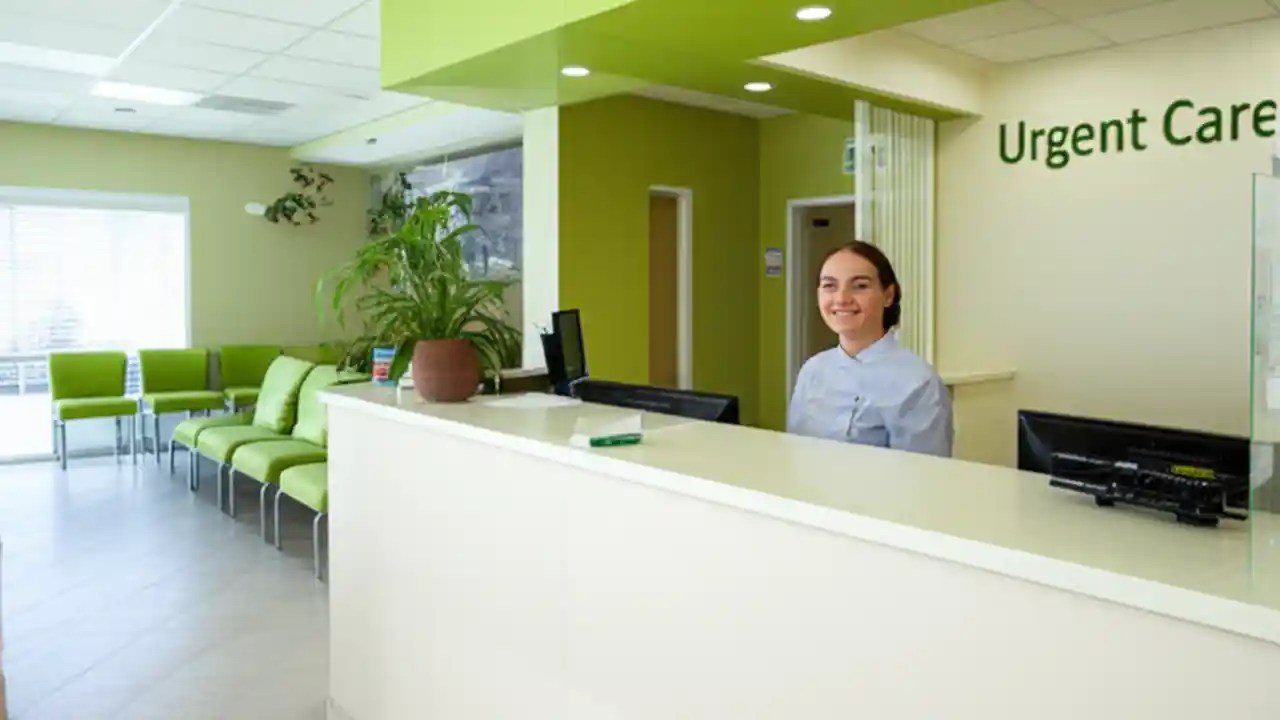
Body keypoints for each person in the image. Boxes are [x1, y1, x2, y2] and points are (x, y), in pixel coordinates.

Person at [787, 241, 953, 457]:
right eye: (830, 286)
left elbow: (925, 477)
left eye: (860, 286)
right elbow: (794, 455)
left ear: (888, 295)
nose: (841, 299)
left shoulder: (918, 383)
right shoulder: (812, 370)